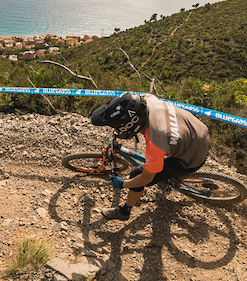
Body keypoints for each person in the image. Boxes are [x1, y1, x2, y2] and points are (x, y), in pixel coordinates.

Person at [90, 92, 211, 220]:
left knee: (136, 175)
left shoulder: (156, 140)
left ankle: (124, 211)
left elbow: (145, 178)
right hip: (199, 131)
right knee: (159, 161)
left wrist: (124, 184)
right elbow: (142, 96)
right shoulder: (149, 101)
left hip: (192, 158)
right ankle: (170, 176)